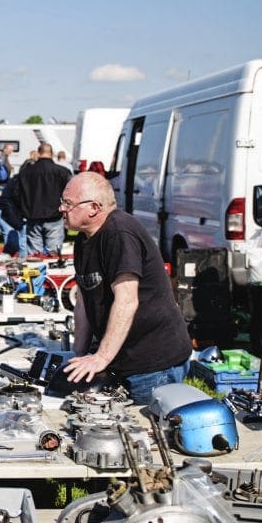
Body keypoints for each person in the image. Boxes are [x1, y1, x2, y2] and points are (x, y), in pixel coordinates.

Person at [62, 172, 191, 404]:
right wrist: (78, 355)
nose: (61, 208)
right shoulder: (84, 239)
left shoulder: (119, 233)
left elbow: (127, 300)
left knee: (142, 425)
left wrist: (101, 357)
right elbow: (83, 301)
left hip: (152, 364)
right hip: (123, 358)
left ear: (94, 208)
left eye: (68, 203)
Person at [15, 142, 72, 256]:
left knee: (34, 255)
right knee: (54, 253)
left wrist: (23, 210)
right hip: (54, 216)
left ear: (39, 153)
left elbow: (17, 194)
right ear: (51, 154)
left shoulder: (25, 172)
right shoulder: (62, 172)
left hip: (33, 216)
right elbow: (70, 194)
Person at [0, 173, 24, 256]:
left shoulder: (14, 180)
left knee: (16, 241)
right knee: (20, 241)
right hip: (11, 213)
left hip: (9, 212)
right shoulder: (18, 181)